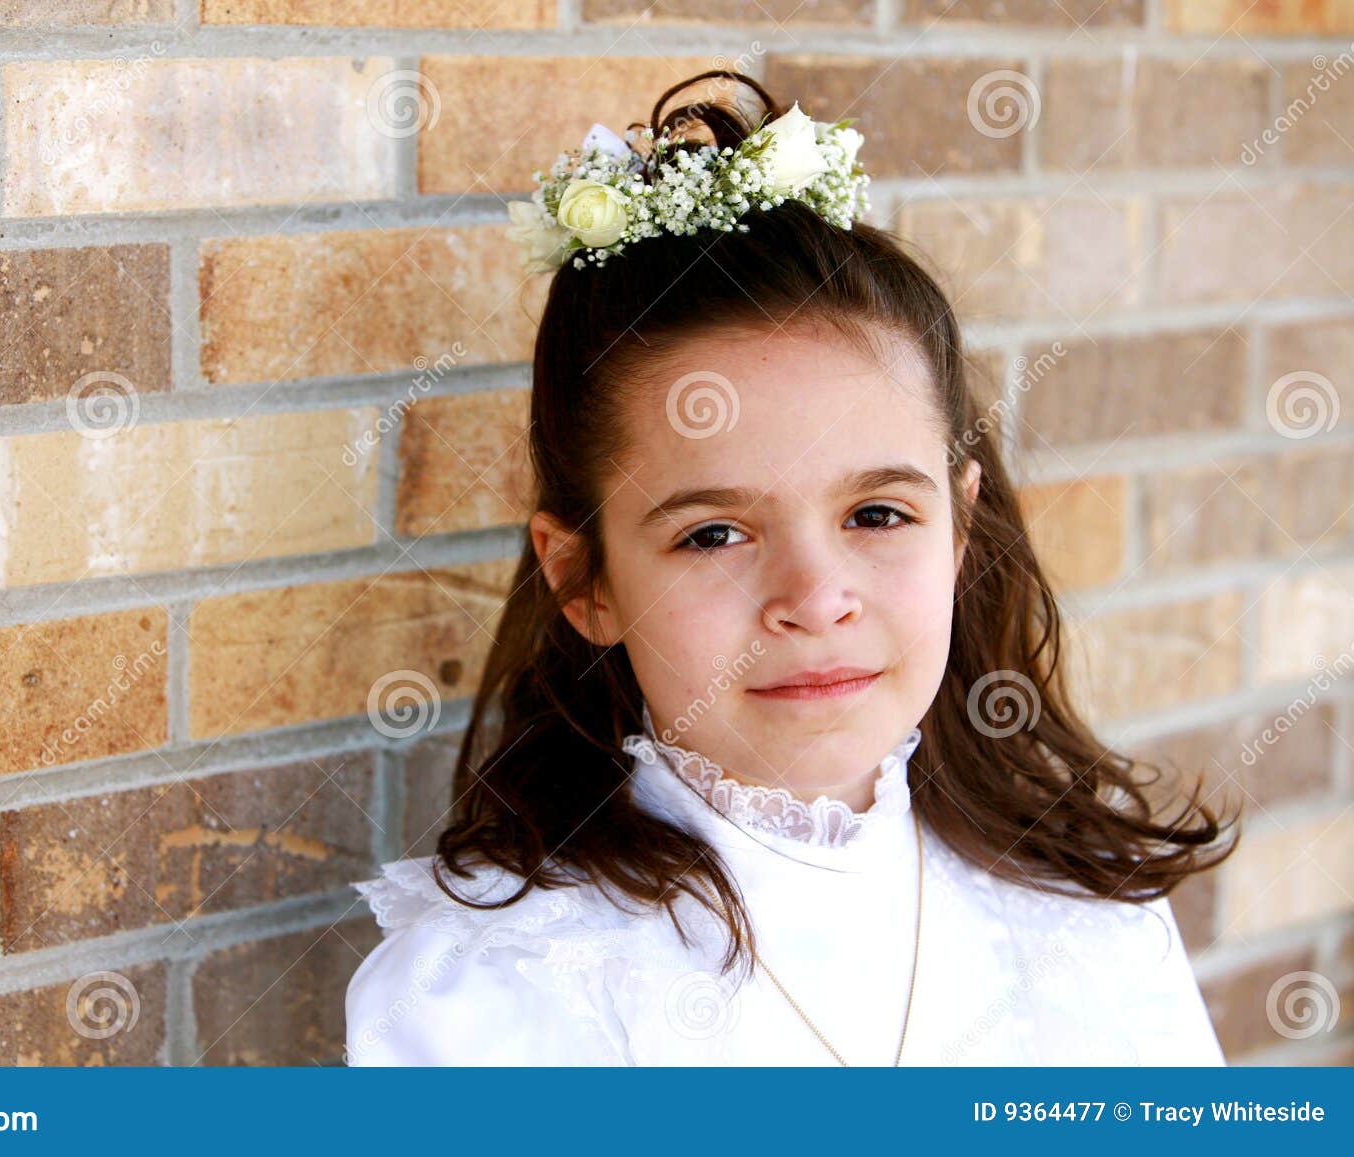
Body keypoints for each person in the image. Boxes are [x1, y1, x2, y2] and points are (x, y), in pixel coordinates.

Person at [343, 70, 1240, 1067]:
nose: (815, 599)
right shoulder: (492, 988)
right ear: (582, 579)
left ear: (957, 529)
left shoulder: (1087, 917)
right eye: (714, 533)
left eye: (876, 512)